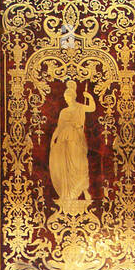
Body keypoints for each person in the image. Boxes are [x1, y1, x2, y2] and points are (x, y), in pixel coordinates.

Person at [49, 80, 95, 211]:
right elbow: (59, 126)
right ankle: (67, 194)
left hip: (76, 138)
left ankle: (84, 190)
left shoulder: (80, 107)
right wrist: (53, 139)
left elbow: (92, 108)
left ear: (73, 97)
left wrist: (89, 96)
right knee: (66, 166)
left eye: (68, 98)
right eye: (65, 98)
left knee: (80, 164)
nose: (67, 100)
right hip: (65, 139)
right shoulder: (63, 112)